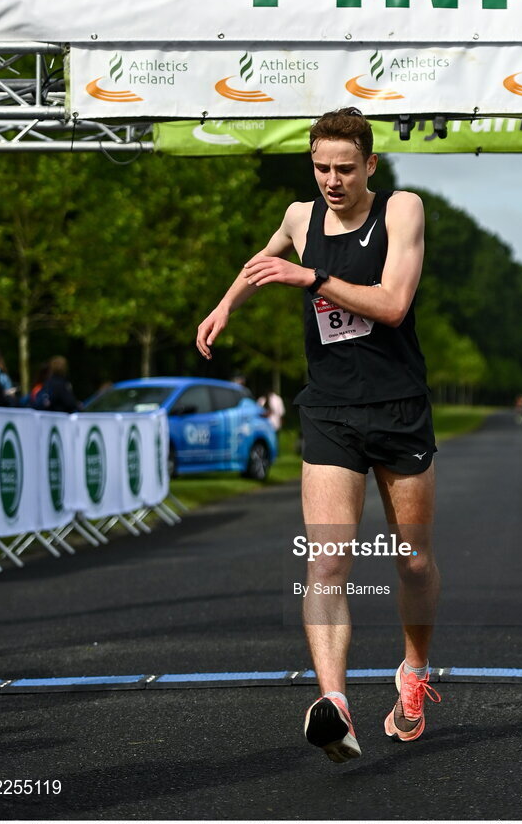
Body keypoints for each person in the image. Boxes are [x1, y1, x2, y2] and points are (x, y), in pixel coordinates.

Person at [197, 107, 441, 763]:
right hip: (330, 411)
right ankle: (334, 704)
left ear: (370, 165)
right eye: (320, 168)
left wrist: (313, 277)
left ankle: (413, 673)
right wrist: (225, 305)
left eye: (343, 168)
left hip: (398, 410)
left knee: (412, 560)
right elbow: (261, 262)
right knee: (327, 561)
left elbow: (393, 305)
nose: (331, 180)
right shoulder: (298, 217)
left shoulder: (402, 211)